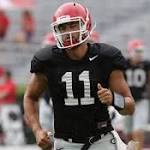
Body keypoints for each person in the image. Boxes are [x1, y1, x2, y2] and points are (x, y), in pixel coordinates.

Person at [23, 2, 135, 150]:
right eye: (62, 27)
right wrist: (37, 130)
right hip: (65, 142)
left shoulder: (106, 57)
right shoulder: (48, 60)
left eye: (73, 25)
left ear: (86, 25)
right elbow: (30, 97)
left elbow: (130, 106)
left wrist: (113, 99)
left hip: (101, 141)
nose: (67, 32)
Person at [124, 39, 150, 150]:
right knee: (128, 131)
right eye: (136, 51)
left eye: (141, 51)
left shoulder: (146, 65)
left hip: (141, 100)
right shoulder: (123, 64)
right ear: (130, 51)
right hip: (127, 101)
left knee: (138, 129)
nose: (139, 54)